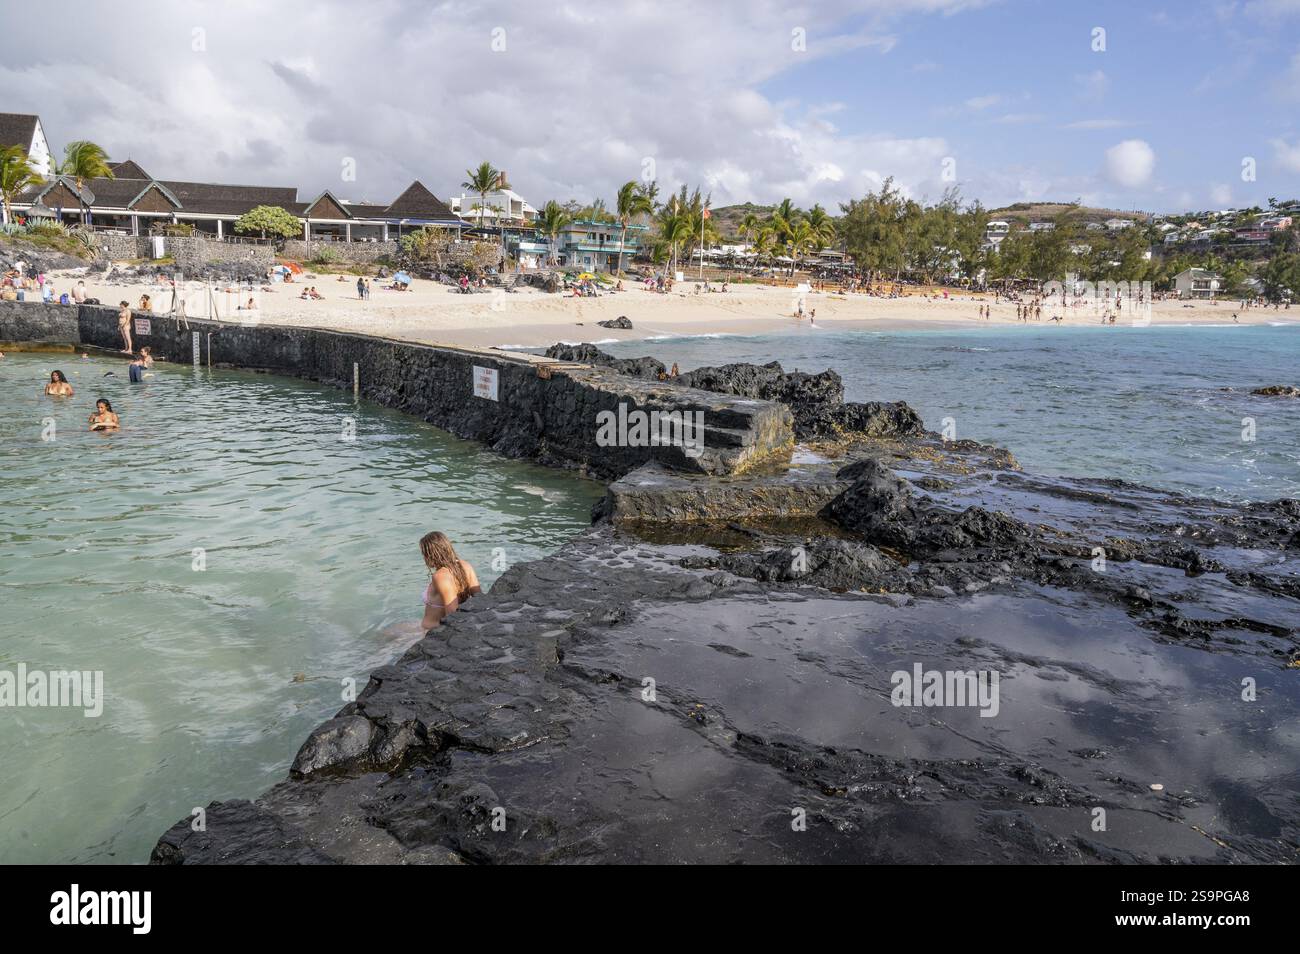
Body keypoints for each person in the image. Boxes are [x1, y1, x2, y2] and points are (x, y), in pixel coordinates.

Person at [418, 531, 481, 629]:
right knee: (392, 631)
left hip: (430, 631)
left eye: (424, 554)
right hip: (430, 627)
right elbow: (479, 598)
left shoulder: (441, 577)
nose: (424, 558)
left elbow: (452, 614)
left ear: (432, 555)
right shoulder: (465, 566)